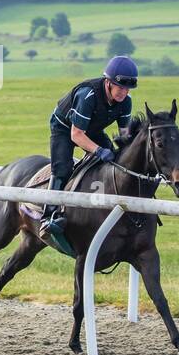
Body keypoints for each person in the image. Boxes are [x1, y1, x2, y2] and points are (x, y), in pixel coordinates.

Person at [40, 55, 137, 238]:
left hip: (91, 128)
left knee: (112, 160)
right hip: (65, 128)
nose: (123, 92)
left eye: (127, 88)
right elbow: (76, 135)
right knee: (62, 168)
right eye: (120, 87)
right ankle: (48, 217)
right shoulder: (88, 95)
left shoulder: (126, 102)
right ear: (108, 82)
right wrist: (99, 150)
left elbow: (125, 134)